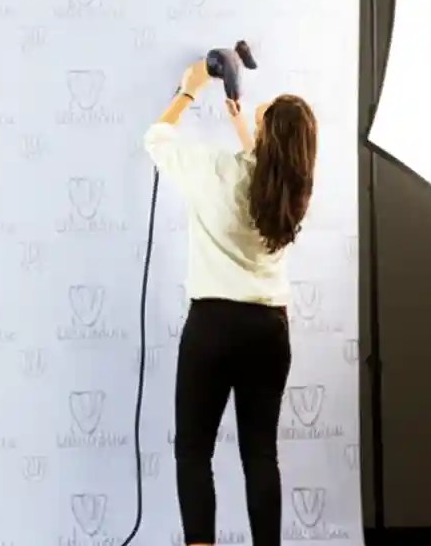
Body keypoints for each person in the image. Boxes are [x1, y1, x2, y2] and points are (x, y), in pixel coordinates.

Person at [143, 58, 318, 546]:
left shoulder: (217, 172)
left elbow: (156, 140)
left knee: (193, 452)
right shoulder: (295, 190)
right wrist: (244, 124)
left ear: (265, 137)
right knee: (260, 455)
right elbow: (262, 169)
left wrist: (189, 90)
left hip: (214, 327)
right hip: (269, 331)